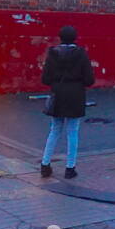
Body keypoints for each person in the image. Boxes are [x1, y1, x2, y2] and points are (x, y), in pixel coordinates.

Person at [40, 25, 94, 179]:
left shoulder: (52, 53)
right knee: (73, 131)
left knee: (55, 129)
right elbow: (89, 79)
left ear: (60, 37)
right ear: (75, 38)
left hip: (57, 94)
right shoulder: (81, 54)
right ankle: (70, 168)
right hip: (75, 95)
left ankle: (45, 164)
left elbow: (45, 79)